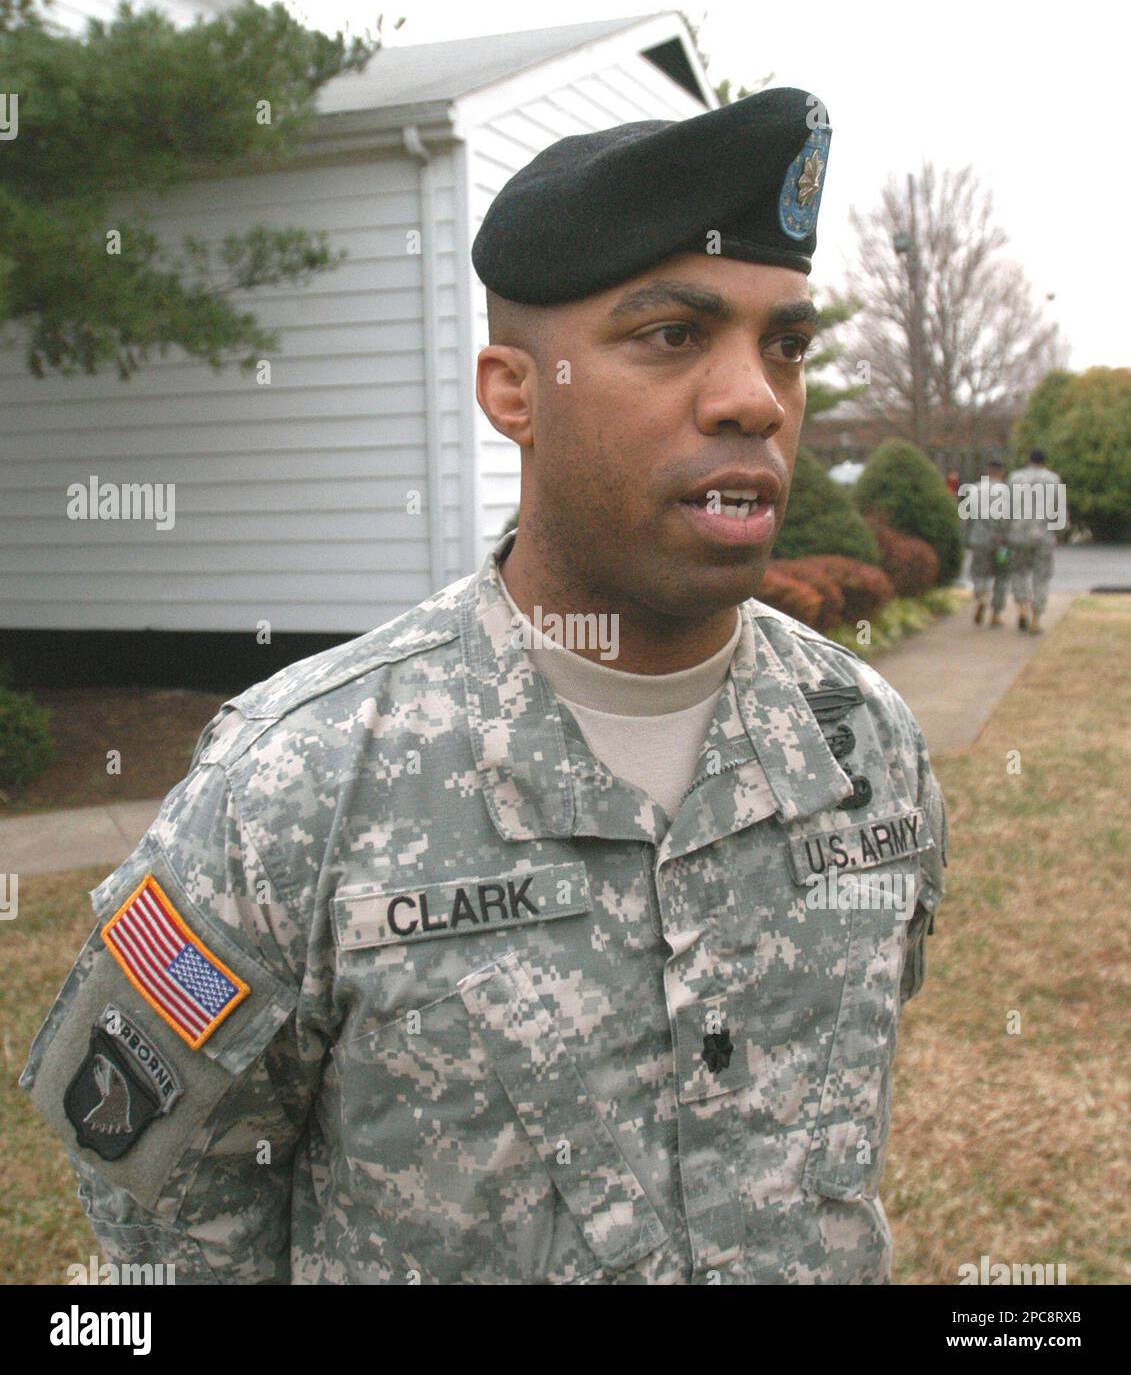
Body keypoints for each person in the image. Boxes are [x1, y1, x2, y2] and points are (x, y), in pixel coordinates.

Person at [21, 87, 947, 1285]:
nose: (754, 398)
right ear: (514, 391)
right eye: (673, 335)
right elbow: (166, 1229)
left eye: (788, 346)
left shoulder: (864, 748)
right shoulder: (295, 787)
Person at [1006, 449, 1063, 635]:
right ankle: (1036, 618)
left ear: (1028, 460)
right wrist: (1060, 531)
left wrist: (1004, 531)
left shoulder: (1015, 478)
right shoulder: (1053, 479)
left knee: (1018, 571)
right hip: (1043, 534)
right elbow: (1059, 509)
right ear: (1045, 461)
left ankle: (1022, 606)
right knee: (1041, 577)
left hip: (1018, 534)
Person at [964, 459, 1010, 626]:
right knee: (1002, 575)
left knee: (978, 572)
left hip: (979, 540)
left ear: (987, 471)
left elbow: (967, 518)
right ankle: (996, 614)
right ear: (1002, 472)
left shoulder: (974, 490)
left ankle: (981, 596)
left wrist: (966, 539)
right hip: (1002, 543)